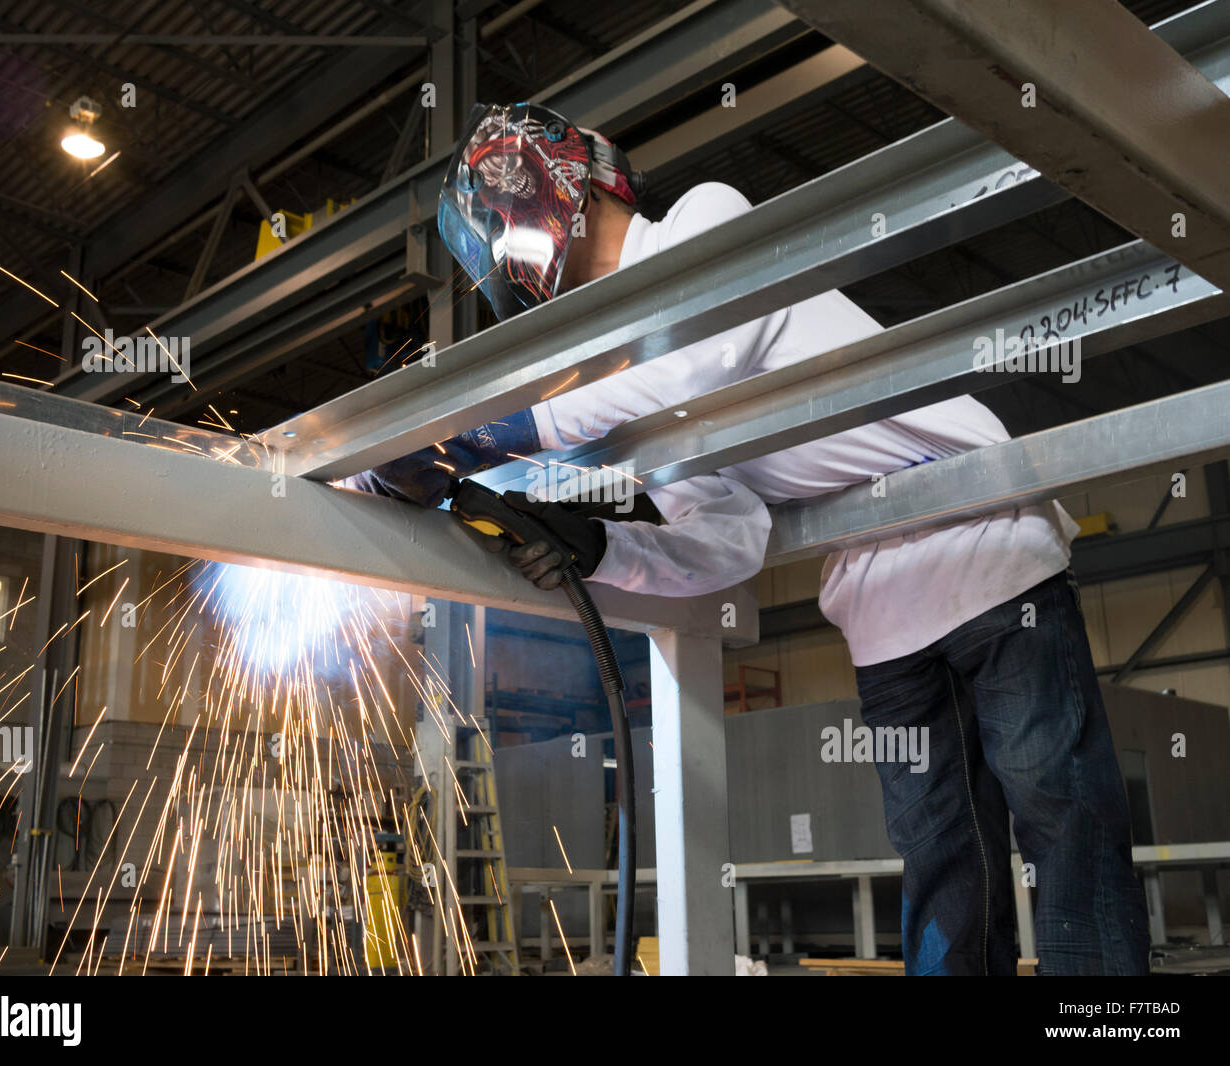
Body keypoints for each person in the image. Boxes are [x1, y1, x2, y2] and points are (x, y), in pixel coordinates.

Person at [341, 101, 1150, 975]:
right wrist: (598, 546)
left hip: (989, 543)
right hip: (880, 610)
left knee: (1064, 820)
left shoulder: (706, 224)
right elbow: (730, 539)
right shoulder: (625, 388)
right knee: (946, 858)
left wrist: (477, 433)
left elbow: (698, 358)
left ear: (535, 195)